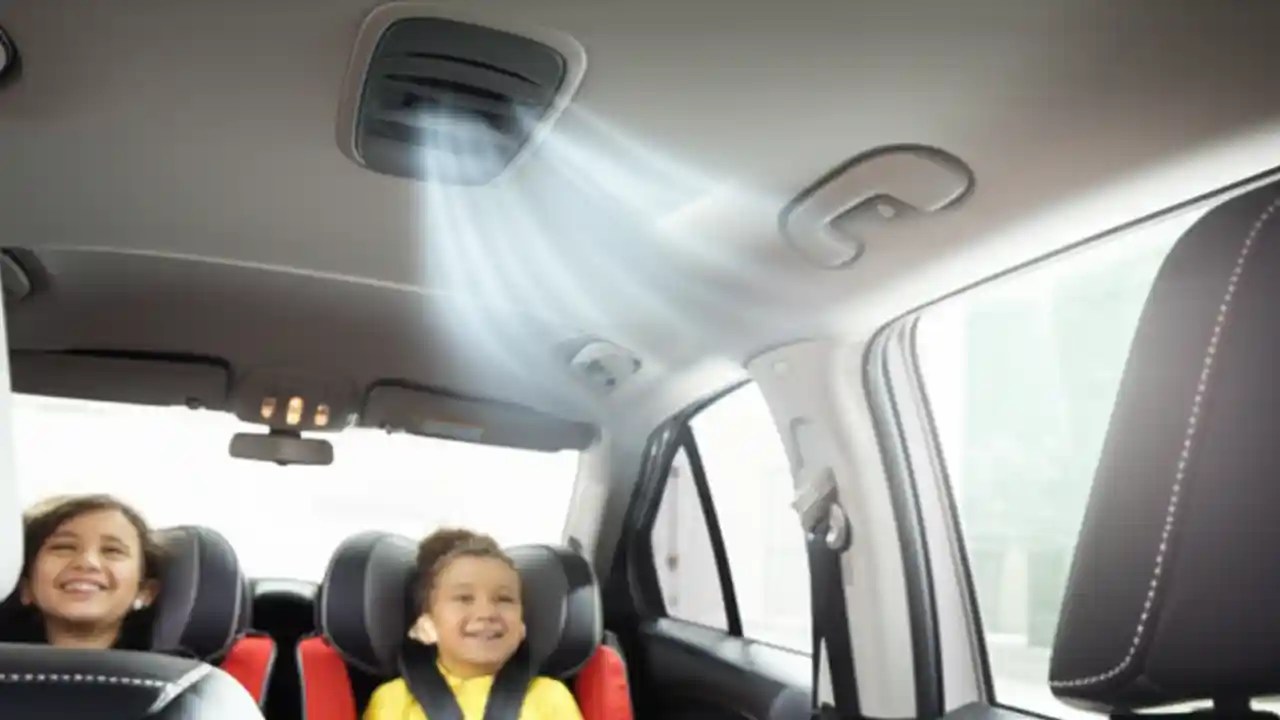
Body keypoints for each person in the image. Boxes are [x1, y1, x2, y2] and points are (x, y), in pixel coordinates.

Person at [364, 528, 583, 720]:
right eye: (464, 599)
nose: (486, 613)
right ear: (425, 628)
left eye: (504, 599)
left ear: (521, 627)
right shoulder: (394, 700)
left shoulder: (550, 697)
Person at [2, 494, 163, 650]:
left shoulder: (178, 674)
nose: (87, 562)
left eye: (112, 550)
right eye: (64, 547)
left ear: (145, 591)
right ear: (26, 587)